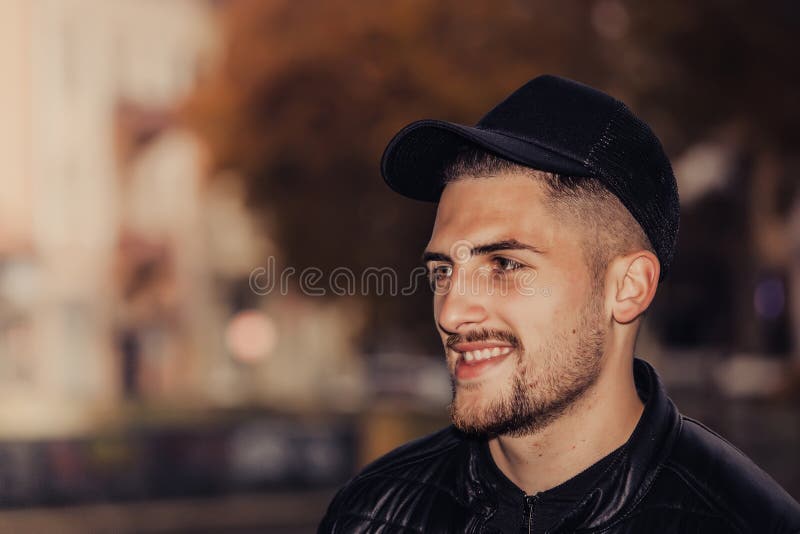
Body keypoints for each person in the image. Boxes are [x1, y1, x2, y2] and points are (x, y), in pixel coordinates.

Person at [318, 75, 800, 533]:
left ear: (628, 287)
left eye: (505, 264)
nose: (450, 313)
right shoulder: (371, 516)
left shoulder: (750, 523)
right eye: (443, 271)